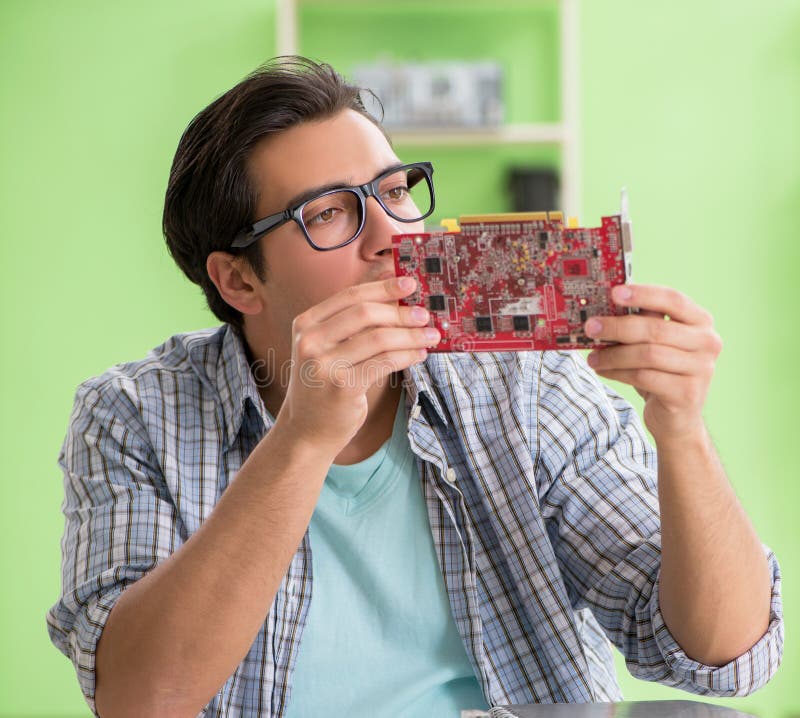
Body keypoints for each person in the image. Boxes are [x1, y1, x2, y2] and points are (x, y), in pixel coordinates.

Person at [47, 57, 783, 718]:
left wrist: (682, 427)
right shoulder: (133, 414)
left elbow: (728, 657)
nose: (390, 236)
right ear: (239, 280)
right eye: (330, 212)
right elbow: (142, 701)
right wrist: (304, 438)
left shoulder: (523, 384)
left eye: (395, 191)